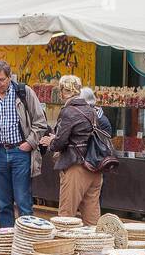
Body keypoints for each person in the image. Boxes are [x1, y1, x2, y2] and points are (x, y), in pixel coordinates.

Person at [0, 60, 48, 227]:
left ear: (9, 77)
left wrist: (29, 143)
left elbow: (40, 122)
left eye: (1, 79)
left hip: (20, 152)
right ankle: (6, 242)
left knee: (23, 201)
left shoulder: (23, 92)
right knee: (2, 202)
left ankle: (25, 243)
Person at [39, 75, 101, 225]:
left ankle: (65, 248)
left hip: (75, 167)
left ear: (62, 92)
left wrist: (51, 141)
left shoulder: (68, 111)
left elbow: (59, 143)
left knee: (65, 218)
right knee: (92, 219)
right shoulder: (91, 110)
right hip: (94, 167)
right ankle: (93, 247)